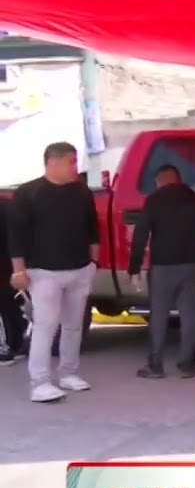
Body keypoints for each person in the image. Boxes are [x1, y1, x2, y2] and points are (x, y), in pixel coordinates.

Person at [8, 142, 97, 403]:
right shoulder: (28, 193)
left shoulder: (82, 192)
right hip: (43, 272)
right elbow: (16, 235)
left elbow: (92, 228)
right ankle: (40, 383)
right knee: (45, 327)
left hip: (80, 269)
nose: (75, 167)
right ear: (53, 162)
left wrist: (94, 263)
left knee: (73, 326)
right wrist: (18, 270)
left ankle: (69, 373)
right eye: (72, 161)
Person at [128, 165, 195, 379]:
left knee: (159, 315)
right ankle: (186, 363)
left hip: (162, 265)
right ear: (179, 180)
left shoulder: (154, 200)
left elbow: (141, 234)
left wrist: (134, 267)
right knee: (189, 313)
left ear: (160, 181)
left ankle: (155, 364)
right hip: (192, 265)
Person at [0, 198, 27, 365]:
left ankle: (6, 347)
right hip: (9, 261)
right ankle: (15, 343)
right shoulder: (7, 204)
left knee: (5, 304)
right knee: (9, 302)